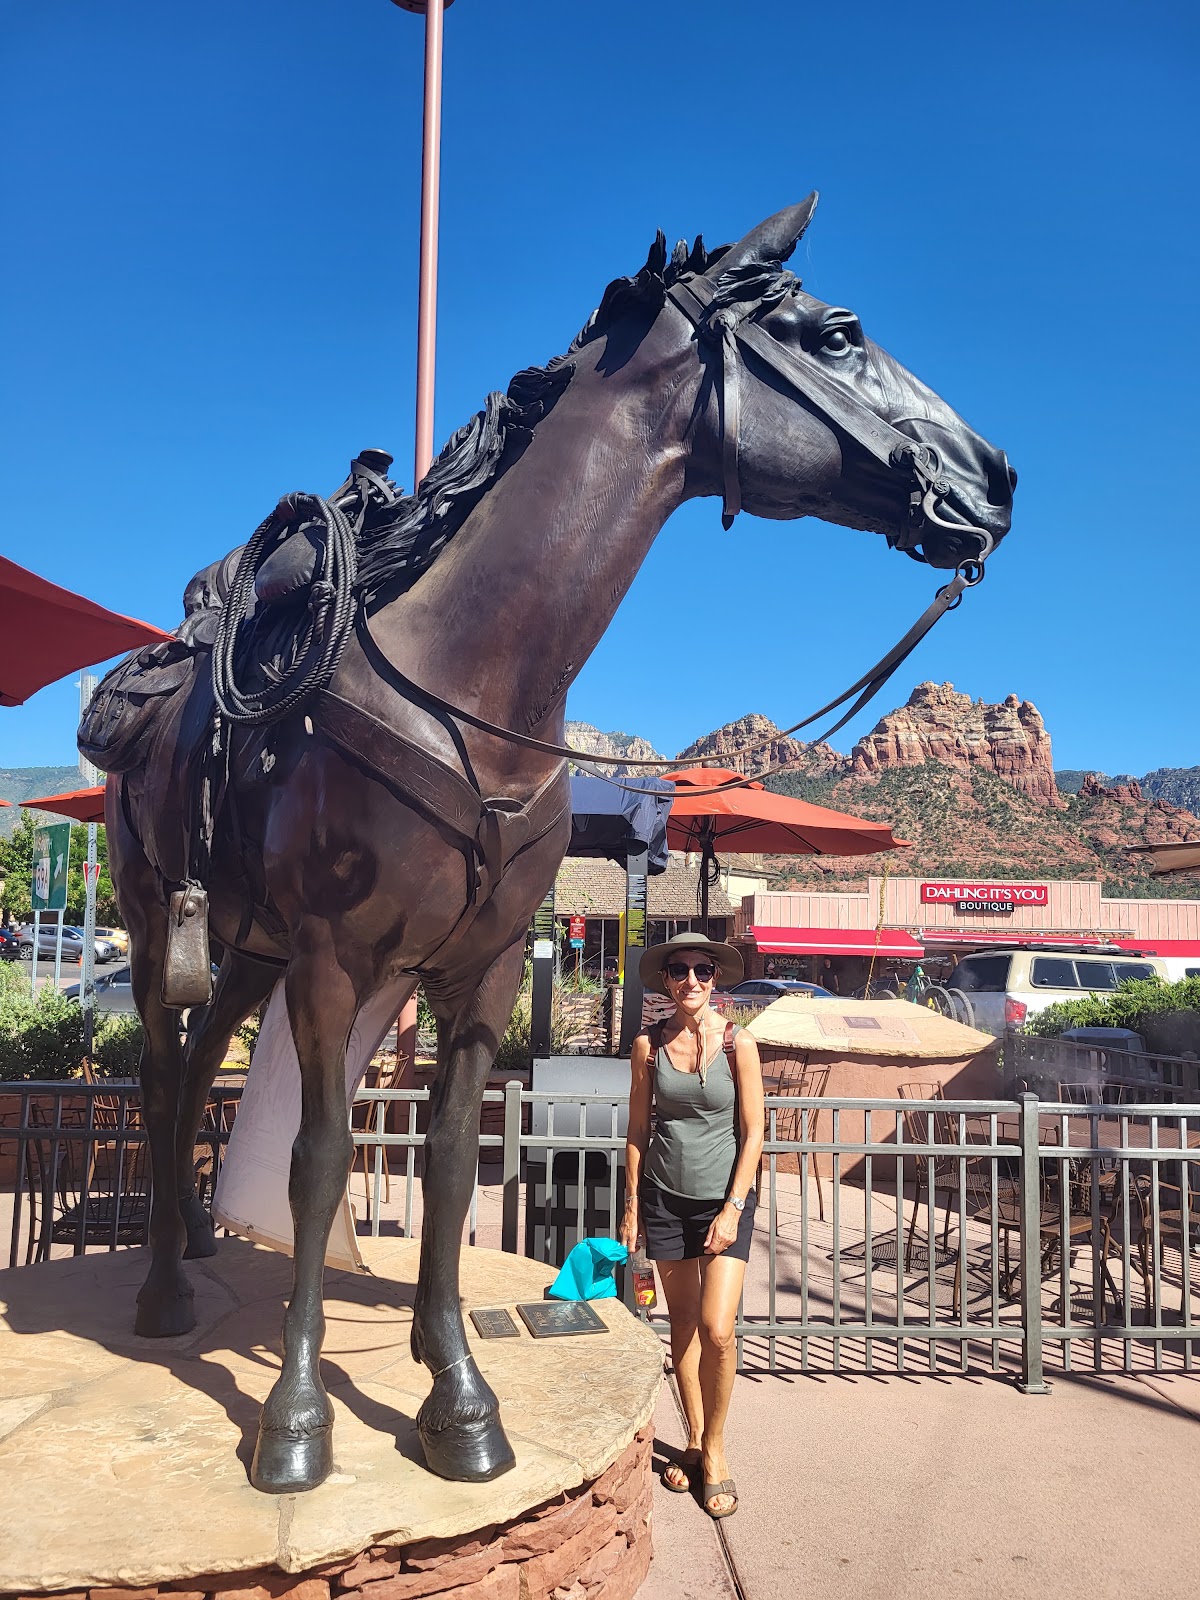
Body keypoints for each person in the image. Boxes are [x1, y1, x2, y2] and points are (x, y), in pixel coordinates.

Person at [621, 932, 764, 1520]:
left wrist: (733, 1207)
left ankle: (719, 1448)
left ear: (716, 978)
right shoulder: (647, 1047)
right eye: (678, 971)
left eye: (702, 970)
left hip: (724, 1201)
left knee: (718, 1328)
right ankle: (695, 1441)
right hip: (665, 1199)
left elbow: (754, 1132)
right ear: (665, 981)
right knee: (682, 1325)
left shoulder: (740, 1044)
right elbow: (637, 1131)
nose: (691, 981)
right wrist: (632, 1207)